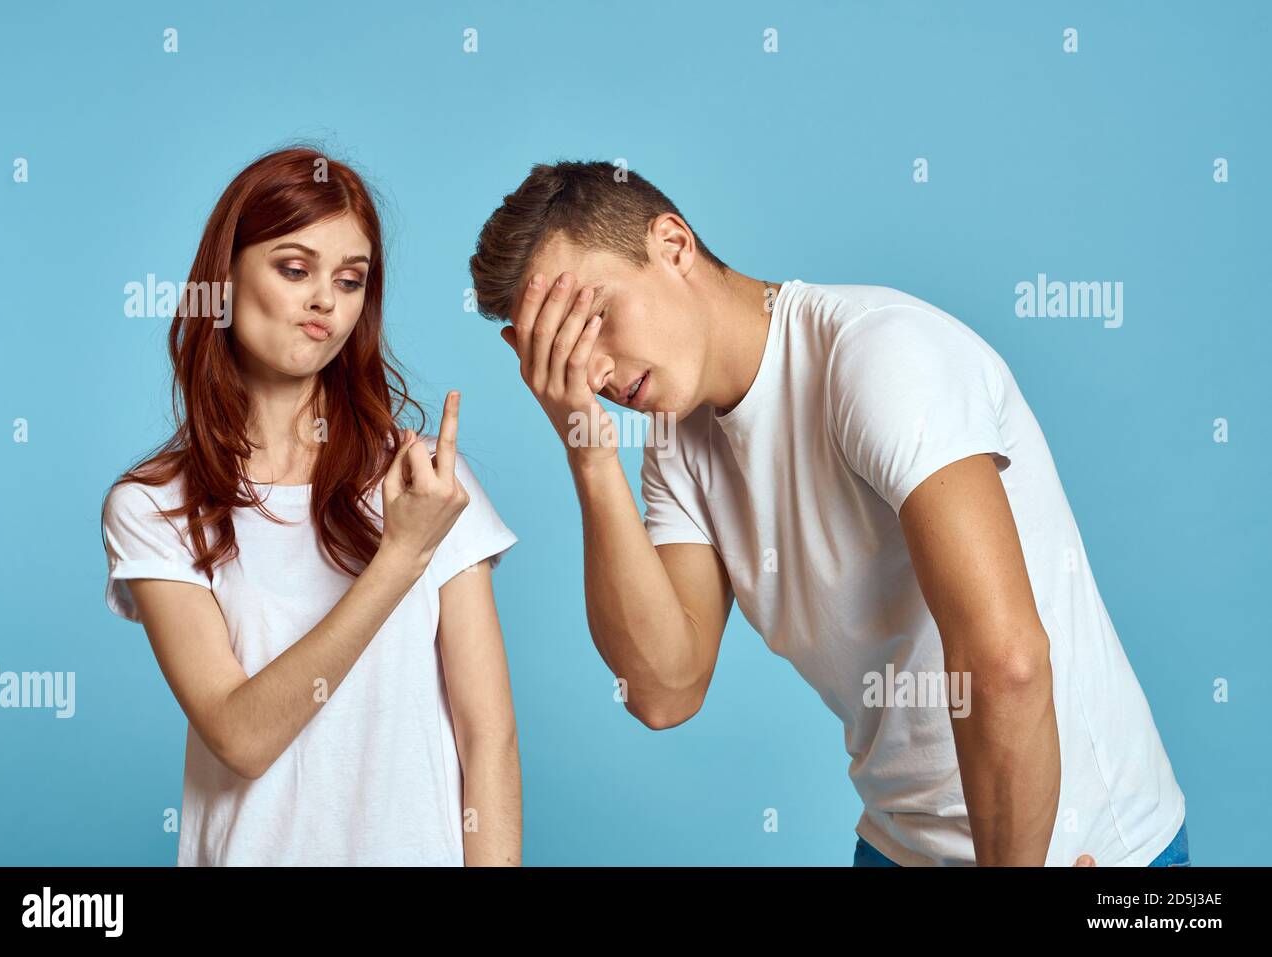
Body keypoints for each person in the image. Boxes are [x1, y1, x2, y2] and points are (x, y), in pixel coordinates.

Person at [466, 160, 1188, 866]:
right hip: (900, 843)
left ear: (673, 245)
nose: (592, 372)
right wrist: (587, 449)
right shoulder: (677, 443)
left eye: (594, 317)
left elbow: (1006, 663)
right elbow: (664, 687)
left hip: (1080, 847)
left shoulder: (878, 357)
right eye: (557, 349)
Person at [101, 147, 520, 866]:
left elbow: (490, 740)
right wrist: (399, 557)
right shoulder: (154, 505)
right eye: (295, 269)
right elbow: (241, 736)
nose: (326, 300)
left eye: (350, 279)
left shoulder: (426, 482)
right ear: (225, 277)